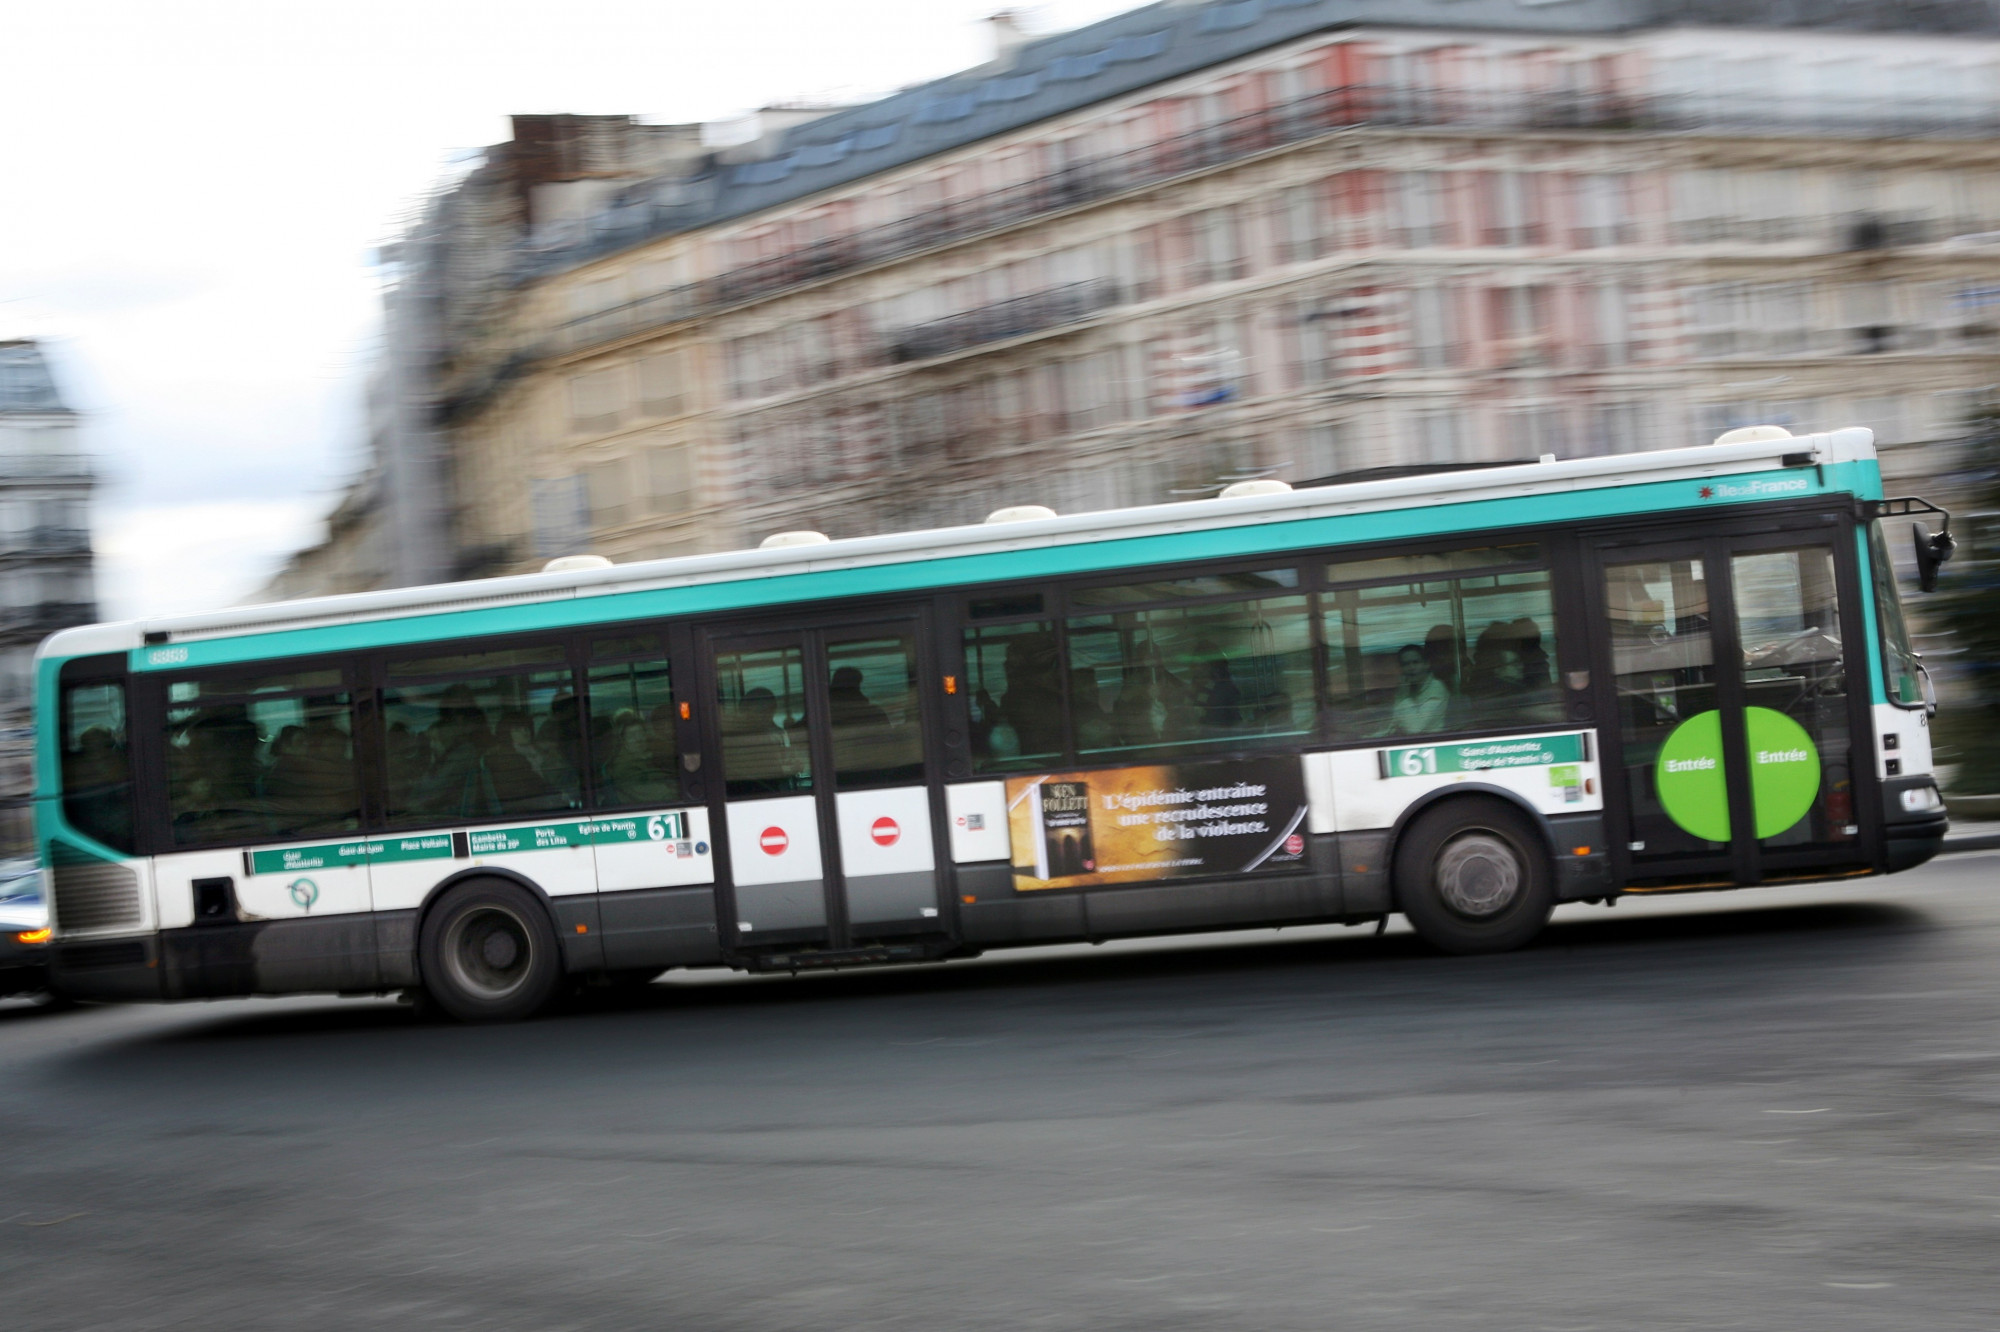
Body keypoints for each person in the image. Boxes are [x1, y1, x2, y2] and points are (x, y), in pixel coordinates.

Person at [1385, 643, 1450, 736]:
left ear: (1426, 664)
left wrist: (1404, 698)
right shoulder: (1407, 687)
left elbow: (1415, 729)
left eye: (1416, 662)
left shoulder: (1436, 687)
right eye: (1405, 664)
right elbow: (1395, 724)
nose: (1411, 668)